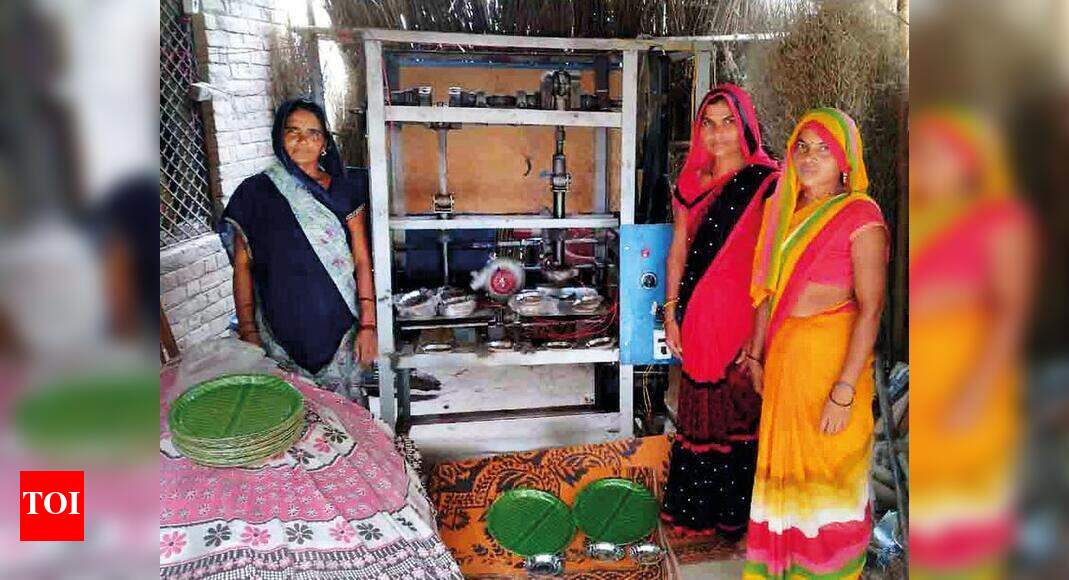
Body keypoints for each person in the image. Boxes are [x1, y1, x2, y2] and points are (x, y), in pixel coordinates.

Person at [741, 108, 888, 579]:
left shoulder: (861, 215)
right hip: (785, 368)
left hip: (831, 371)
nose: (810, 157)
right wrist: (755, 354)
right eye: (802, 146)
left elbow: (871, 308)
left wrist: (844, 390)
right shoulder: (780, 210)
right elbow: (766, 293)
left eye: (824, 147)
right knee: (784, 478)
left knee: (829, 481)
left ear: (846, 158)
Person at [909, 108, 1034, 578]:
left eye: (940, 154)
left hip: (971, 388)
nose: (926, 164)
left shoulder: (999, 220)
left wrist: (975, 393)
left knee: (968, 525)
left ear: (970, 161)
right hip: (931, 394)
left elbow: (1010, 313)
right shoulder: (924, 219)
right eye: (921, 153)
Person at [660, 84, 779, 539]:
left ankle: (736, 517)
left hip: (744, 318)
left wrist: (759, 334)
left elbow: (773, 264)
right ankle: (699, 513)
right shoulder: (690, 184)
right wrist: (671, 314)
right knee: (699, 411)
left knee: (739, 411)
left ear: (746, 125)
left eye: (729, 121)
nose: (718, 133)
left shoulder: (769, 182)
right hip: (697, 317)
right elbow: (677, 254)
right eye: (708, 123)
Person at [222, 98, 377, 403]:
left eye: (313, 133)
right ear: (279, 136)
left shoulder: (344, 191)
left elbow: (361, 259)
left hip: (340, 329)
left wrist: (369, 325)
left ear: (324, 144)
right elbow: (242, 266)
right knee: (288, 423)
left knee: (348, 420)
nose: (303, 140)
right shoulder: (254, 194)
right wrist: (249, 333)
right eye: (292, 131)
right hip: (277, 335)